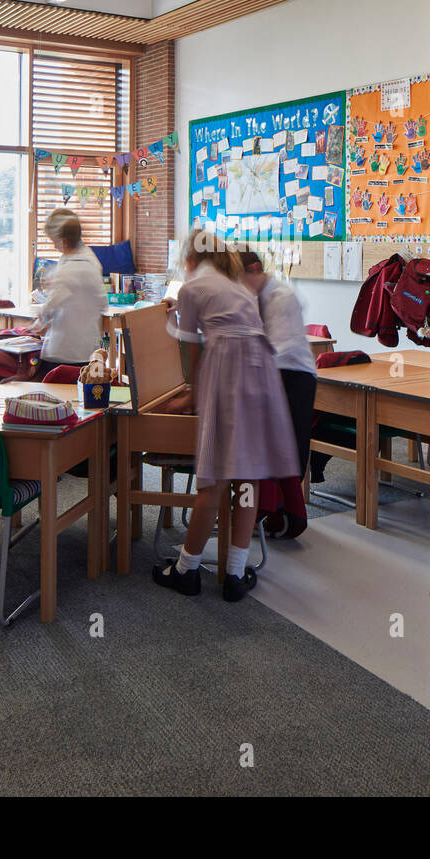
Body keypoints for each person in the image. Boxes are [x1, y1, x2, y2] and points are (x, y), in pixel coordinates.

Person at [153, 231, 298, 602]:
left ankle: (186, 569)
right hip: (259, 371)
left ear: (189, 258)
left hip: (228, 369)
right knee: (247, 476)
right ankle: (234, 572)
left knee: (212, 479)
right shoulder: (236, 287)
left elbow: (190, 350)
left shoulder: (192, 286)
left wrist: (191, 395)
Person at [239, 250, 315, 536]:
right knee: (274, 449)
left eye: (241, 280)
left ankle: (285, 515)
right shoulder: (256, 295)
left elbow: (281, 349)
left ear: (255, 269)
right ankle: (272, 511)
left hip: (294, 376)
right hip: (275, 375)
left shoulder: (280, 297)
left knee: (289, 450)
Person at [30, 209, 107, 382]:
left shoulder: (68, 270)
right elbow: (102, 303)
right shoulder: (91, 260)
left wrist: (38, 323)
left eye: (53, 241)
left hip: (63, 352)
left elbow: (51, 306)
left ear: (63, 241)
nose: (53, 246)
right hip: (88, 349)